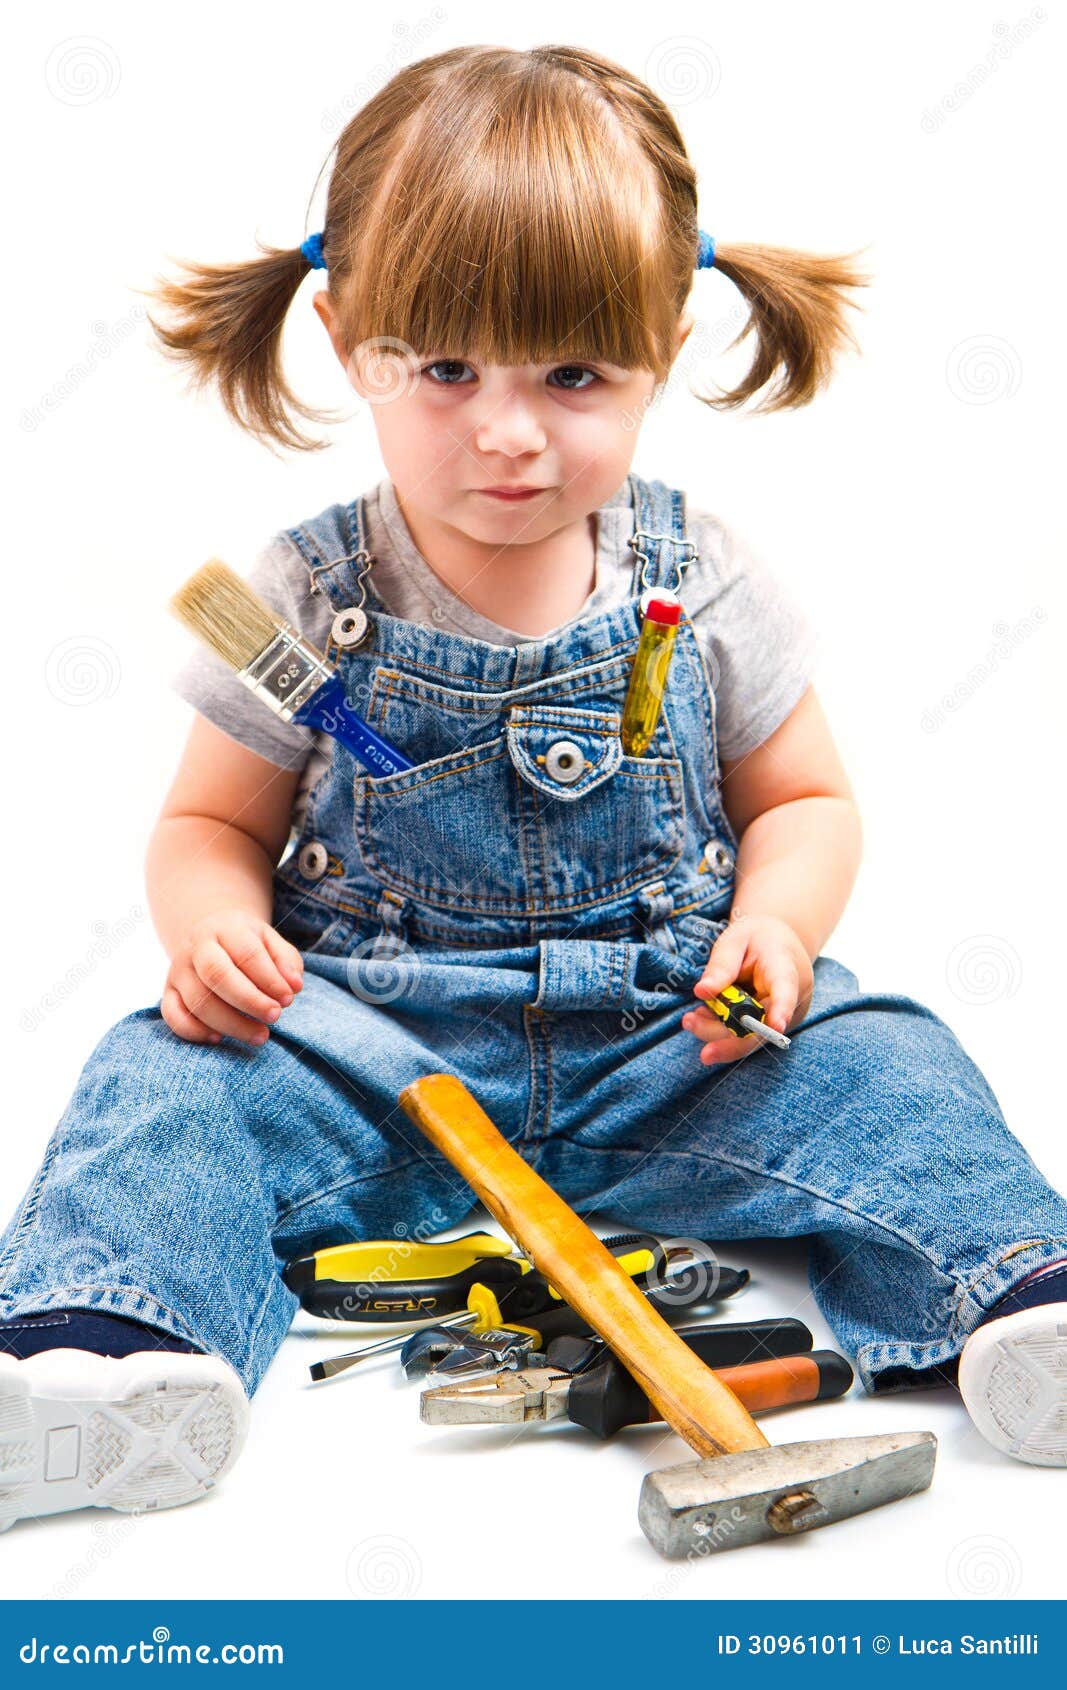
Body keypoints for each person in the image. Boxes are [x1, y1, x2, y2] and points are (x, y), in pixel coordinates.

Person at [2, 43, 1065, 1536]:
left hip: (668, 1029)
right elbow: (207, 826)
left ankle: (1015, 1295)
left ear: (667, 342)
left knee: (897, 1065)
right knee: (153, 1088)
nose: (509, 432)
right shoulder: (299, 596)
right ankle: (108, 1352)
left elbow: (808, 800)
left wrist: (779, 928)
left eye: (573, 375)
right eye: (446, 370)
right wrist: (210, 931)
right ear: (346, 335)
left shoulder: (700, 575)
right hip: (370, 1044)